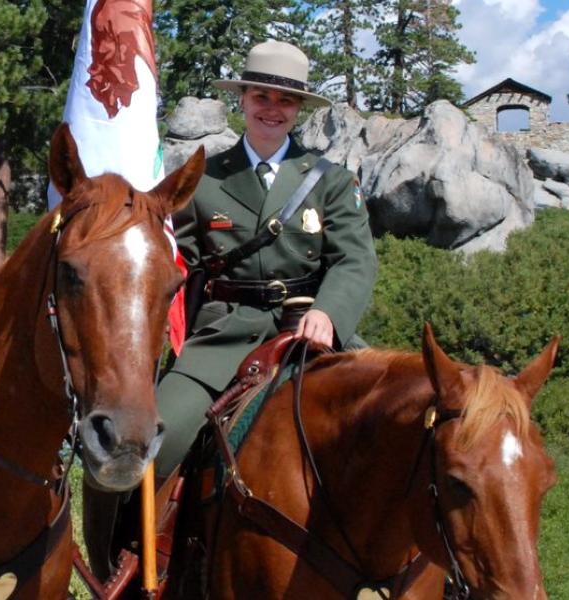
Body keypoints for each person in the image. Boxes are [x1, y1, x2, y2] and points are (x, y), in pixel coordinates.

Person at [82, 40, 377, 579]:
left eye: (285, 101)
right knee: (151, 441)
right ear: (242, 99)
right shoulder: (204, 179)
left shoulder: (330, 181)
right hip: (221, 340)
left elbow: (355, 262)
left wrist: (330, 315)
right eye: (260, 95)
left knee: (390, 433)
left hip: (309, 332)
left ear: (298, 110)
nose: (272, 108)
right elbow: (172, 266)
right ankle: (117, 558)